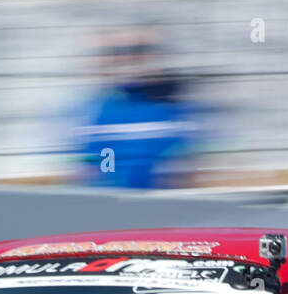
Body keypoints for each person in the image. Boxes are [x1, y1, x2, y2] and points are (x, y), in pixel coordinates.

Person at [70, 37, 203, 190]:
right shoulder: (108, 107)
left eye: (140, 53)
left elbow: (182, 151)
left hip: (160, 195)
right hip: (124, 194)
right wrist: (111, 183)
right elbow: (102, 151)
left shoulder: (170, 106)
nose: (132, 61)